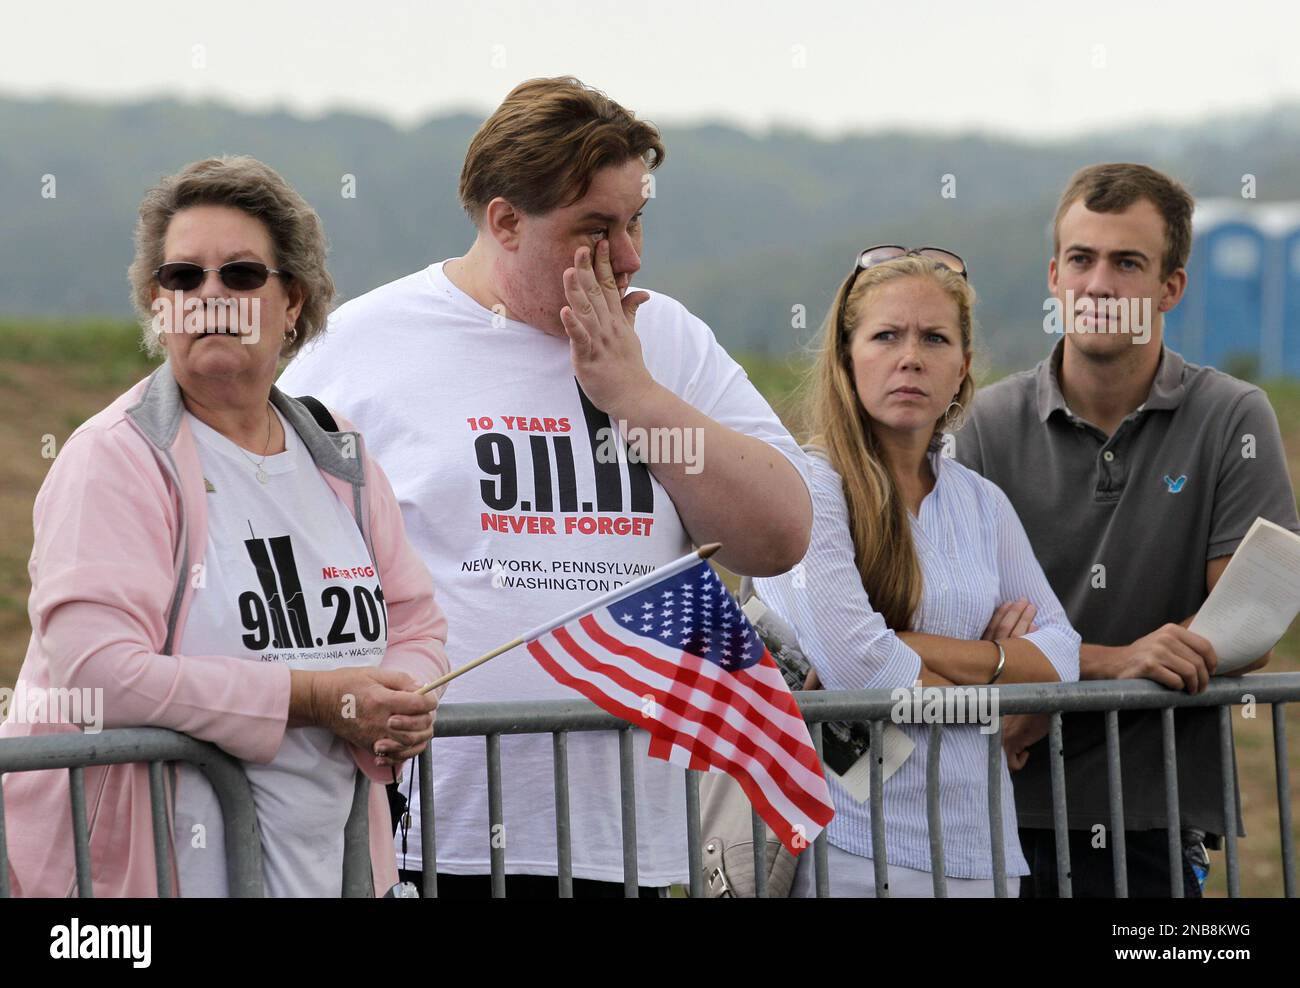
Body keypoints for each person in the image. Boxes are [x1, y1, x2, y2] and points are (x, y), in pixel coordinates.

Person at [278, 76, 814, 896]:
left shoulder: (665, 339)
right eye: (595, 229)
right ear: (505, 220)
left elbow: (780, 536)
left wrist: (634, 395)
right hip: (430, 836)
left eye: (636, 222)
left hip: (627, 843)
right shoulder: (362, 348)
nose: (629, 256)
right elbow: (283, 563)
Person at [0, 156, 449, 897]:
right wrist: (314, 698)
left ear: (293, 302)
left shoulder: (336, 449)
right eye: (183, 278)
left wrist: (399, 699)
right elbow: (98, 675)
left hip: (332, 869)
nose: (210, 295)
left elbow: (416, 618)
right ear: (158, 304)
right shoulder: (113, 457)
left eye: (240, 275)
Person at [955, 163, 1300, 897]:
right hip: (986, 808)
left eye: (1128, 263)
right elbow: (955, 625)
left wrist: (1034, 674)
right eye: (1082, 259)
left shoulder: (1233, 418)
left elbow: (1249, 627)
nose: (1099, 285)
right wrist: (1115, 660)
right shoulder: (986, 422)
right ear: (1055, 275)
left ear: (1170, 288)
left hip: (1151, 814)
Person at [753, 248, 1080, 897]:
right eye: (886, 336)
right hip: (850, 848)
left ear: (963, 368)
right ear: (848, 359)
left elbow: (1062, 659)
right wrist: (998, 671)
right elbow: (860, 668)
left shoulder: (982, 503)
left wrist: (907, 645)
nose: (911, 357)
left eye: (935, 338)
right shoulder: (809, 486)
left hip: (983, 849)